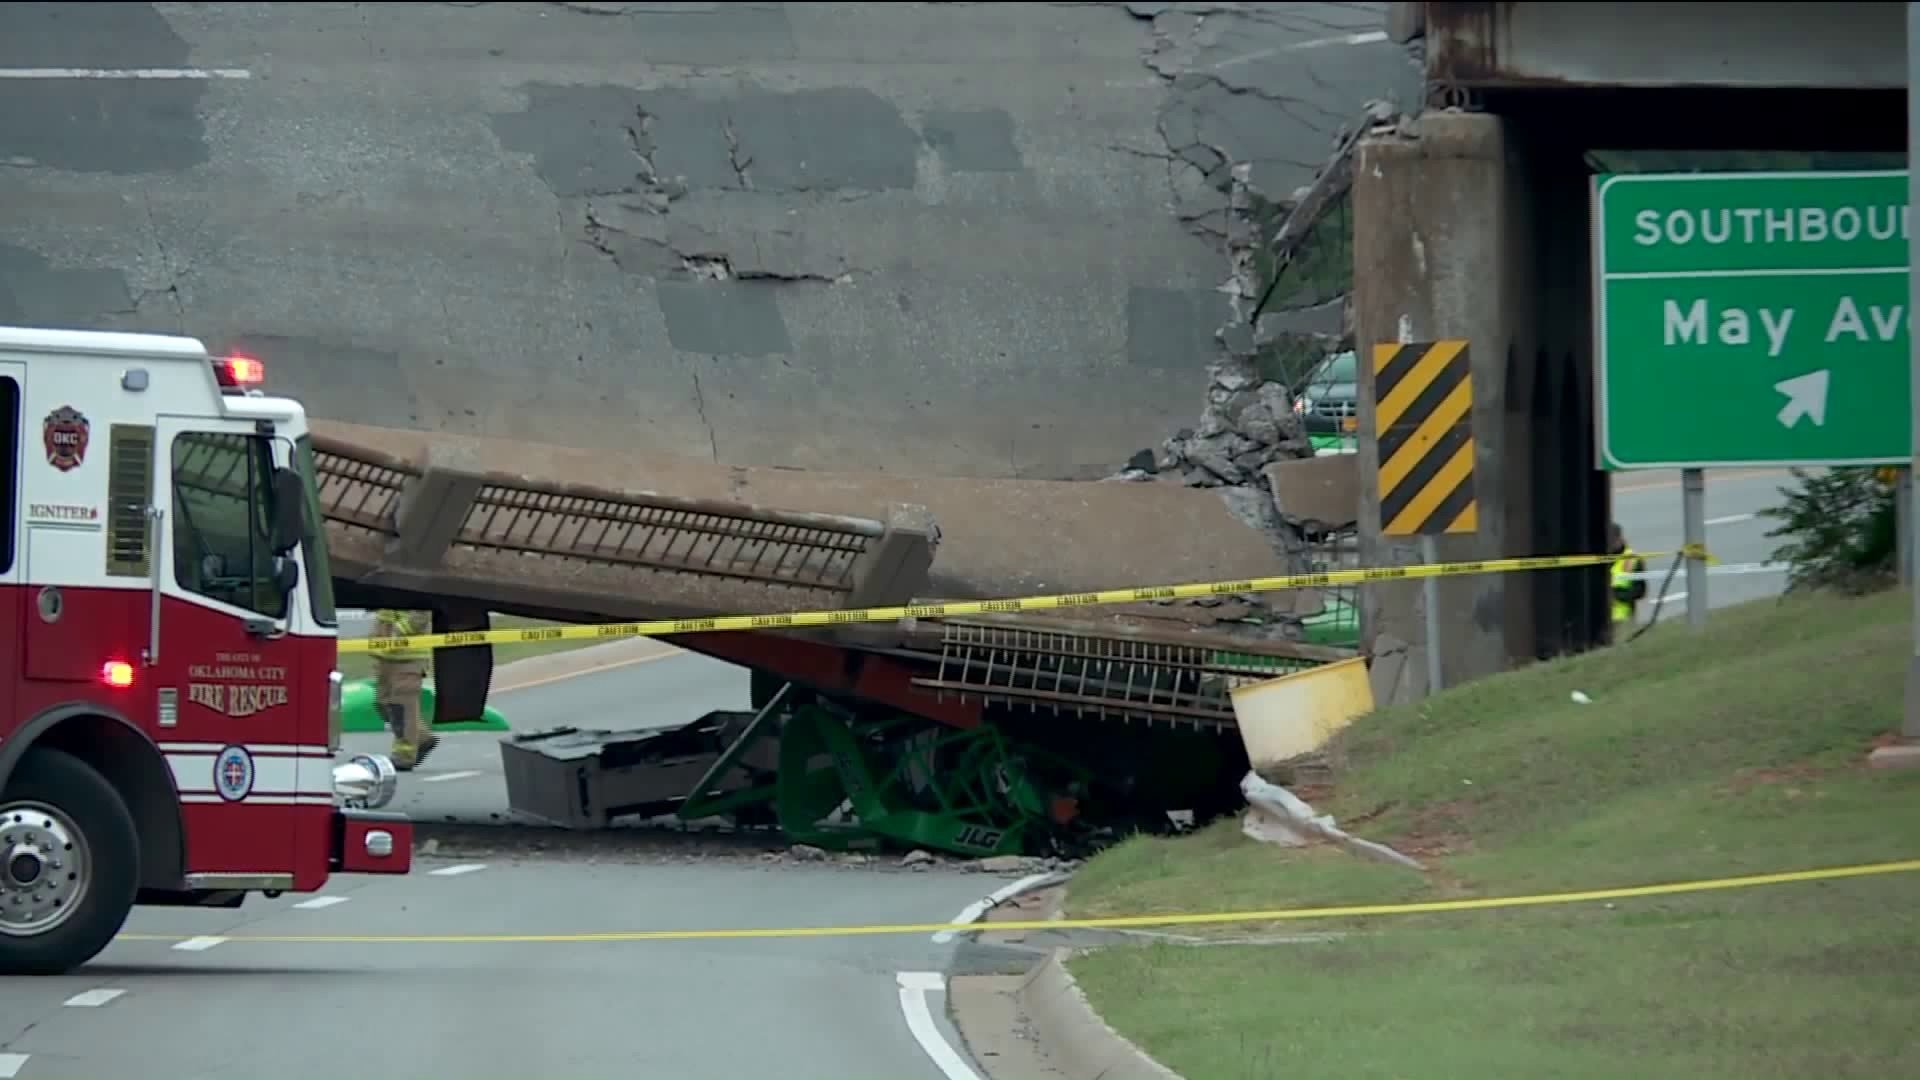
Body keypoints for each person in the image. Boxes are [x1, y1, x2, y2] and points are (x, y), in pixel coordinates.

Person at [371, 608, 438, 770]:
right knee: (383, 704)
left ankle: (404, 755)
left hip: (409, 658)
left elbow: (421, 615)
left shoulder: (412, 585)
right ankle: (421, 737)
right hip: (385, 656)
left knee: (402, 706)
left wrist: (398, 633)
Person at [1608, 522, 1648, 629]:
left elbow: (1640, 591)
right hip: (1598, 621)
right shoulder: (1597, 558)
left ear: (1619, 539)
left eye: (1611, 541)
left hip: (1622, 621)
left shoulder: (1632, 559)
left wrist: (1615, 595)